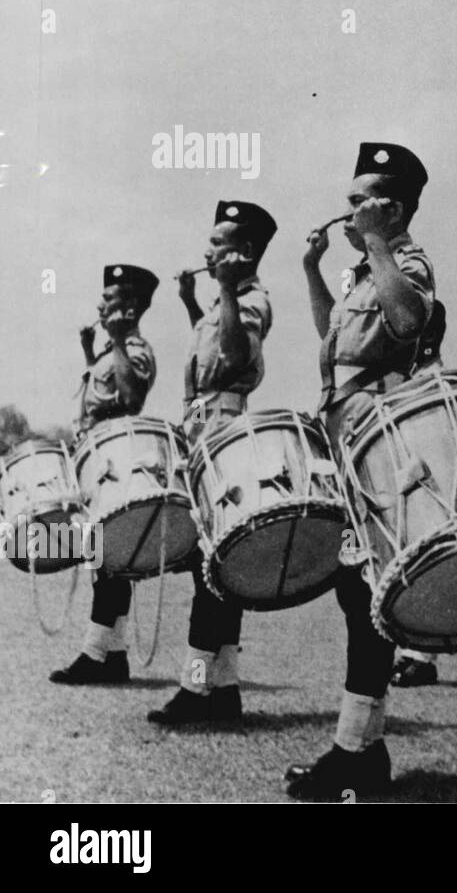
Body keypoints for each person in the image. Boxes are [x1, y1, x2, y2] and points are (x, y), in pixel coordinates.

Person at [285, 142, 439, 799]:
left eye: (359, 201)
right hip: (348, 442)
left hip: (382, 446)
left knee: (367, 593)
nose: (346, 210)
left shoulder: (405, 259)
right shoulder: (359, 271)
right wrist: (314, 271)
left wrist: (376, 242)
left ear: (393, 207)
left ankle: (357, 751)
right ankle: (360, 749)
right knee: (357, 594)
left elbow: (407, 320)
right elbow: (335, 338)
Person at [147, 201, 277, 727]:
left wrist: (220, 290)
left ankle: (196, 688)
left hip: (223, 430)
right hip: (201, 427)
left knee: (212, 568)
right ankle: (223, 691)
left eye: (218, 242)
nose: (207, 250)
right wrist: (190, 301)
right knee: (210, 572)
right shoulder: (227, 300)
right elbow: (208, 347)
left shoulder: (254, 300)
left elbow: (234, 357)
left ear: (243, 253)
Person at [50, 264, 159, 685]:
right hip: (96, 457)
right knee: (105, 561)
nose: (101, 303)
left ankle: (95, 654)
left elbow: (130, 400)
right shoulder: (112, 350)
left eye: (110, 298)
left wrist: (112, 342)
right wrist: (89, 349)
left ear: (129, 307)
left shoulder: (136, 350)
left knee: (108, 558)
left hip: (115, 459)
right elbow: (102, 394)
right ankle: (114, 657)